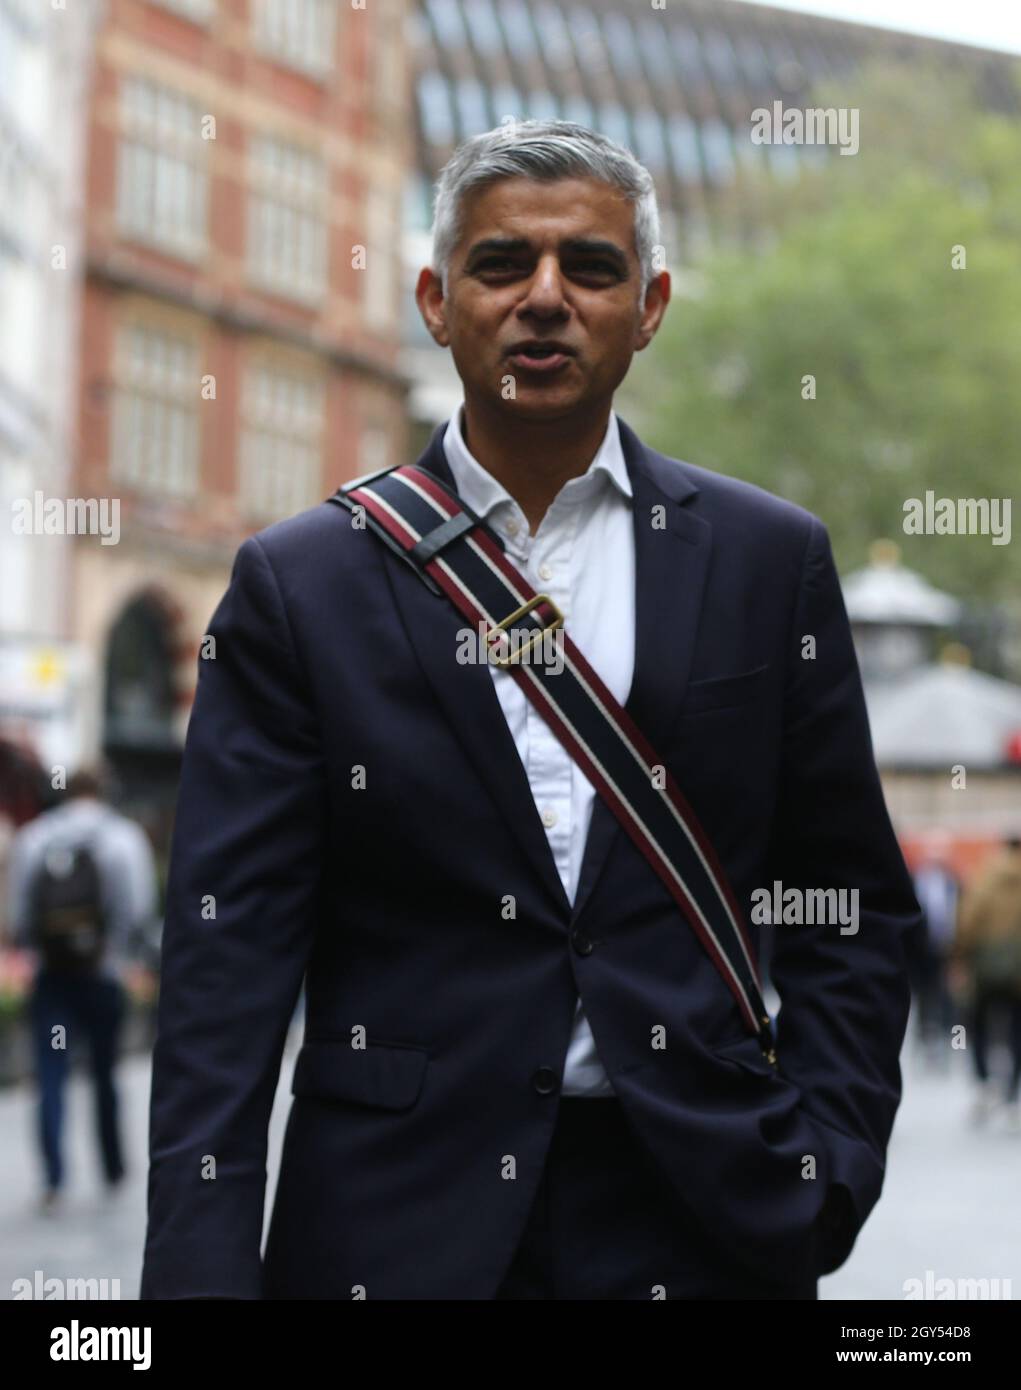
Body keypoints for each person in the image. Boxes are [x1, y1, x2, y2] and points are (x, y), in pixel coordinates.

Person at [140, 120, 921, 1301]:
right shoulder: (300, 583)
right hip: (390, 1230)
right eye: (502, 264)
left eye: (590, 268)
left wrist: (830, 1168)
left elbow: (848, 901)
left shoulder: (769, 561)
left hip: (706, 1218)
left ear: (649, 304)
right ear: (435, 299)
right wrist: (197, 1277)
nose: (545, 297)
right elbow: (226, 955)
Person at [7, 765, 158, 1210]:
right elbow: (139, 908)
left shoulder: (35, 837)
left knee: (50, 1073)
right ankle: (112, 1167)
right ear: (103, 791)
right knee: (104, 1071)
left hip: (51, 976)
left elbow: (18, 915)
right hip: (103, 973)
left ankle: (54, 1177)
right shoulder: (123, 838)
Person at [952, 835, 1021, 1129]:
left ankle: (984, 1083)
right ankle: (1012, 1096)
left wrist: (959, 955)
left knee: (978, 1024)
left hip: (986, 967)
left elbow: (968, 919)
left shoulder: (985, 876)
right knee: (1017, 1030)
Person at [908, 833, 961, 1066]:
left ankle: (944, 1044)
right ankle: (924, 1043)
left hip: (947, 950)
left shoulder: (954, 883)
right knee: (923, 999)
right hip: (920, 953)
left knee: (945, 999)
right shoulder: (915, 881)